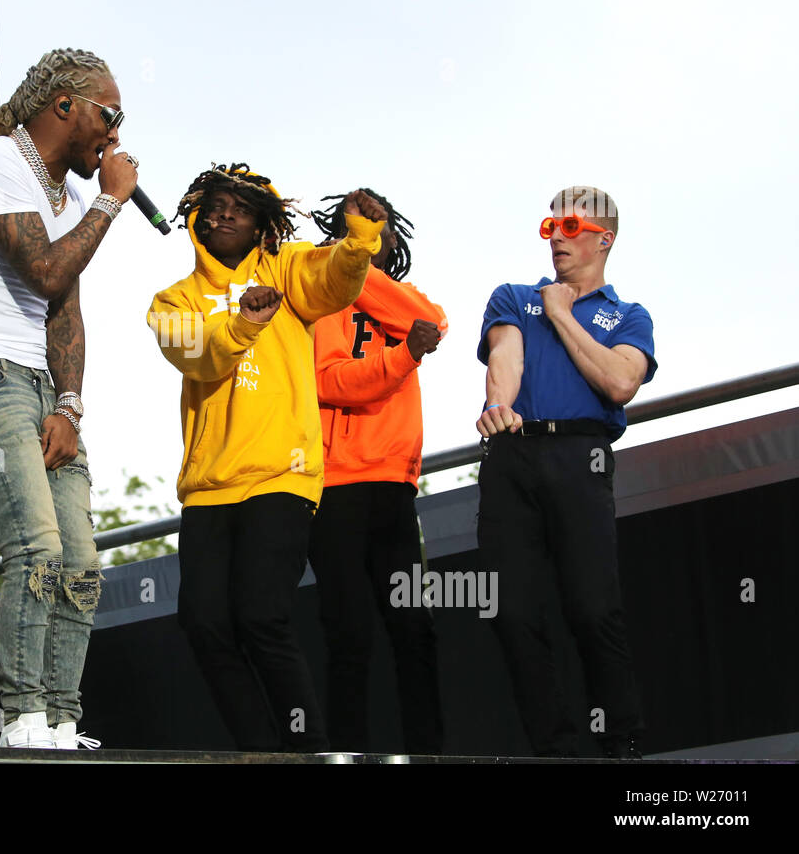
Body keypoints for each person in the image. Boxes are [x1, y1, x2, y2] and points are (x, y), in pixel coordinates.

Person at [0, 49, 137, 750]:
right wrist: (110, 200)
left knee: (80, 562)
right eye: (110, 114)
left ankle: (60, 718)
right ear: (65, 106)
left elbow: (65, 311)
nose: (116, 131)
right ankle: (21, 722)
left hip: (38, 382)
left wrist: (70, 406)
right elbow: (44, 272)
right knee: (35, 545)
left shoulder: (66, 195)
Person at [147, 166, 388, 752]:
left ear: (262, 223)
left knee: (261, 617)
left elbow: (335, 282)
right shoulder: (171, 300)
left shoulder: (286, 268)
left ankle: (310, 749)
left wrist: (359, 238)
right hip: (209, 486)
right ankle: (262, 750)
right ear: (195, 216)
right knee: (204, 626)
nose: (226, 213)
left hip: (283, 477)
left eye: (242, 207)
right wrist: (246, 321)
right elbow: (199, 355)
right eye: (216, 204)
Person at [475, 185, 656, 757]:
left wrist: (563, 315)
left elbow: (621, 382)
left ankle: (620, 742)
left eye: (571, 227)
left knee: (593, 608)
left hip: (581, 456)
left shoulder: (628, 315)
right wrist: (498, 406)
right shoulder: (513, 296)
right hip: (512, 455)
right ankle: (556, 750)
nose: (557, 236)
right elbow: (506, 358)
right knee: (509, 609)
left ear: (604, 238)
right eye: (550, 226)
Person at [308, 189, 446, 754]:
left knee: (413, 630)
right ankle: (348, 752)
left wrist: (357, 265)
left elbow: (431, 322)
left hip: (392, 488)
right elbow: (332, 380)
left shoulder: (408, 297)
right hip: (334, 487)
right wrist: (402, 354)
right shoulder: (323, 302)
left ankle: (432, 754)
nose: (370, 237)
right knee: (349, 635)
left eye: (379, 228)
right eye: (357, 228)